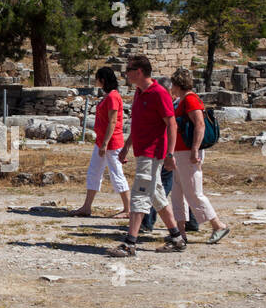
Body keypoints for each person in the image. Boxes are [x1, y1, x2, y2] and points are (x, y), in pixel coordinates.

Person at [107, 55, 186, 256]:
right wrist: (126, 147)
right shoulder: (139, 93)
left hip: (153, 153)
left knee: (140, 194)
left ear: (139, 71)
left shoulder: (159, 93)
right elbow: (139, 125)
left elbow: (171, 124)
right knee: (157, 194)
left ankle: (130, 243)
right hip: (142, 152)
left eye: (129, 70)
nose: (126, 74)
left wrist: (170, 153)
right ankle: (177, 238)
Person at [168, 67, 231, 244]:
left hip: (188, 152)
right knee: (177, 193)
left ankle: (218, 225)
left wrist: (195, 149)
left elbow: (200, 124)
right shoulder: (182, 100)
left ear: (177, 84)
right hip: (180, 152)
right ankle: (180, 231)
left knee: (194, 193)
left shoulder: (190, 100)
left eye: (172, 84)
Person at [71, 67, 130, 218]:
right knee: (94, 171)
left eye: (97, 78)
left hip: (111, 143)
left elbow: (112, 121)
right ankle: (86, 207)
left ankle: (128, 208)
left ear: (102, 80)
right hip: (102, 141)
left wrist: (105, 143)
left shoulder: (112, 97)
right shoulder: (108, 96)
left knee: (116, 173)